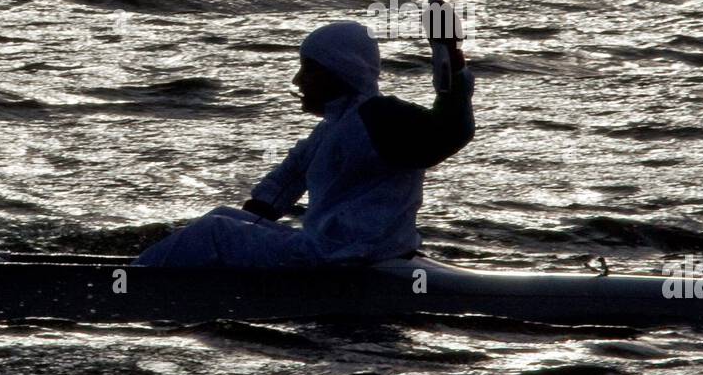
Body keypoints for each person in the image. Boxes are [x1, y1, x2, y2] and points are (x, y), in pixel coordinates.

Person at [135, 19, 474, 268]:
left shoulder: (380, 117)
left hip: (352, 255)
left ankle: (134, 281)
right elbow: (288, 179)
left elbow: (448, 134)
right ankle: (157, 270)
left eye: (309, 70)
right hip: (341, 249)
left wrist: (451, 57)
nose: (298, 80)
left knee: (214, 232)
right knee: (224, 218)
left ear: (340, 72)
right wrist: (255, 223)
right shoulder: (333, 127)